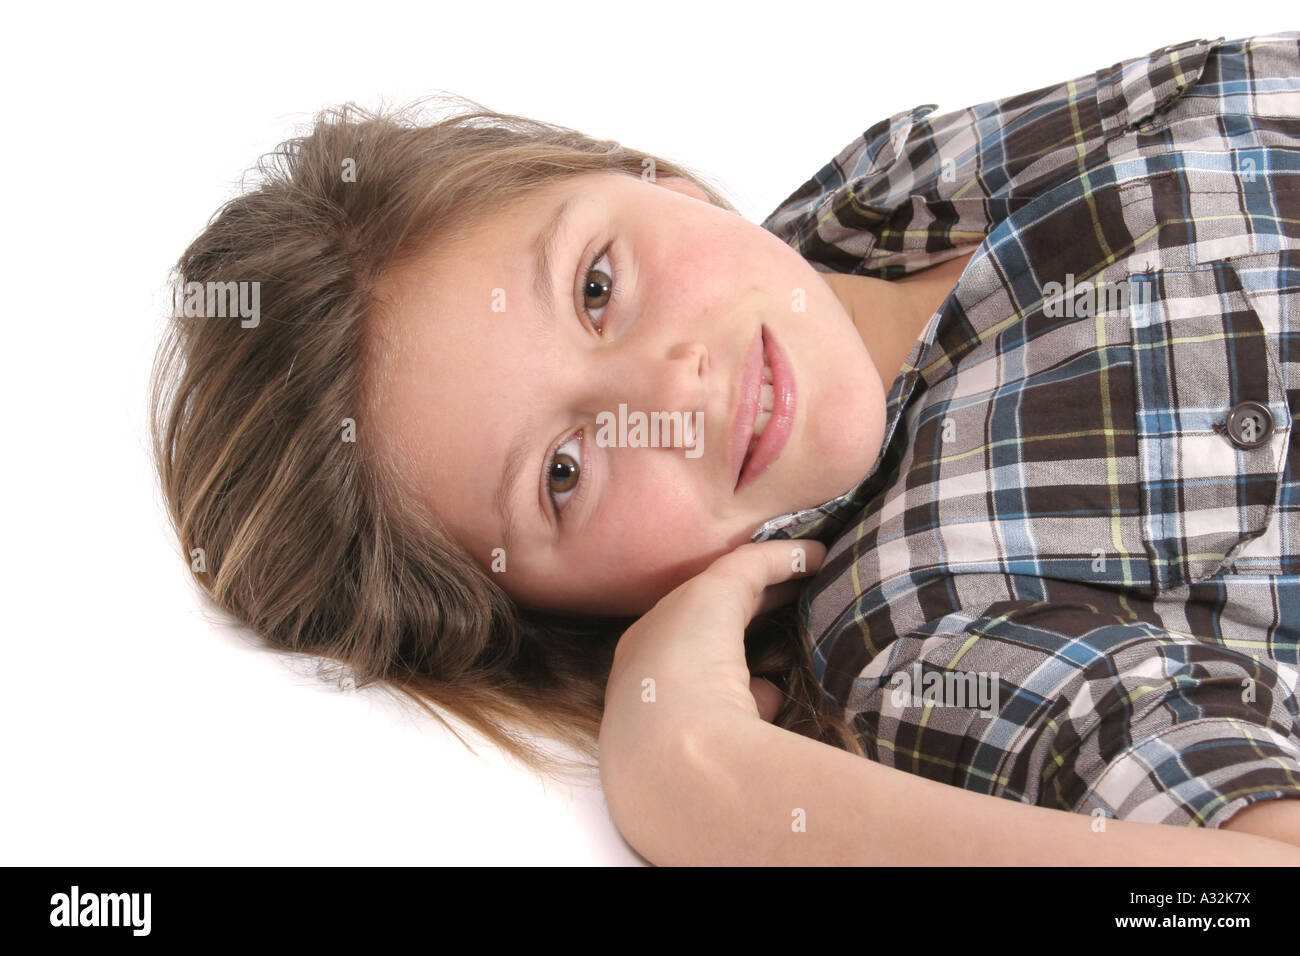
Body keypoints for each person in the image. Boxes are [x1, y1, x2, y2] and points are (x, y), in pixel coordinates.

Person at [151, 33, 1300, 863]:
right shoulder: (916, 627)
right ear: (581, 607)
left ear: (656, 182)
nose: (667, 386)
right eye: (563, 471)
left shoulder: (887, 185)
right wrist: (722, 791)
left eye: (597, 285)